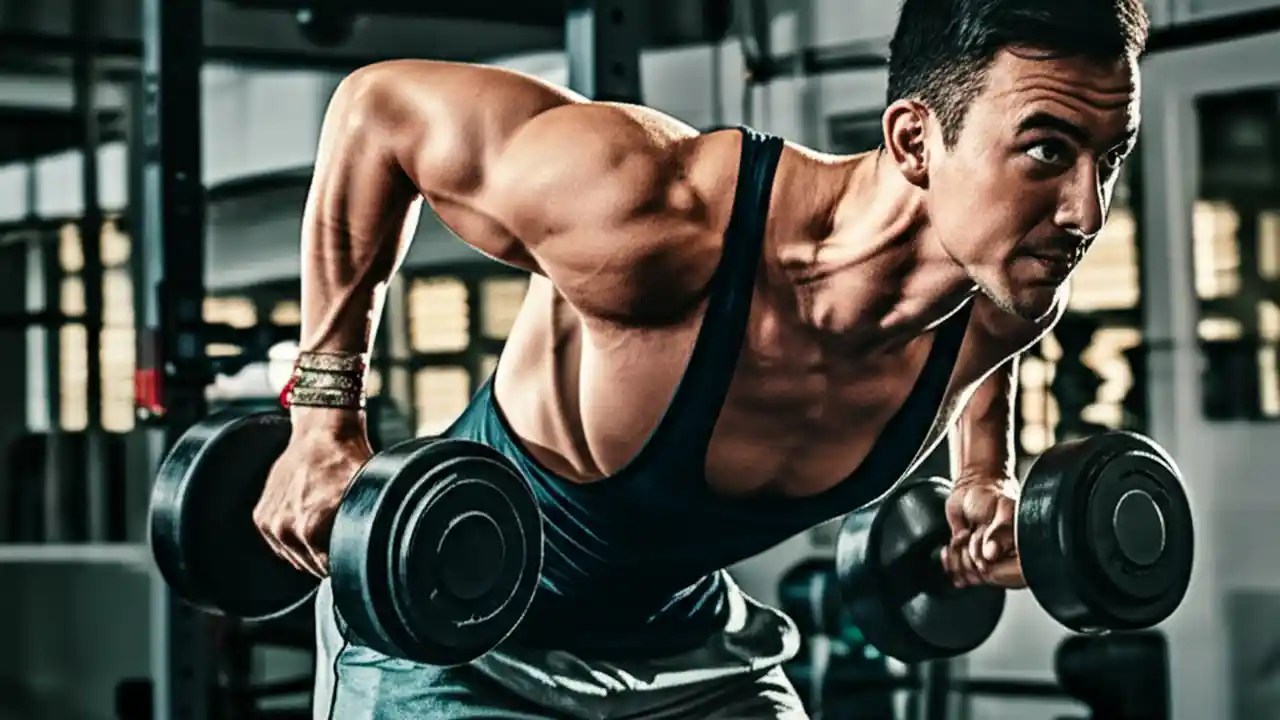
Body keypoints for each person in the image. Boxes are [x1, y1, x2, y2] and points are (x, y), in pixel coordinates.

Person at [253, 0, 1149, 716]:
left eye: (1111, 157)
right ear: (916, 140)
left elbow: (989, 352)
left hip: (694, 655)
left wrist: (980, 477)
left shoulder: (1007, 297)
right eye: (1046, 151)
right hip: (460, 642)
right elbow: (378, 113)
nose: (1087, 210)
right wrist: (323, 419)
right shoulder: (651, 213)